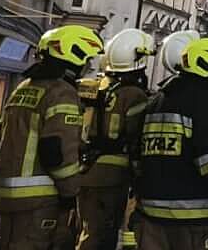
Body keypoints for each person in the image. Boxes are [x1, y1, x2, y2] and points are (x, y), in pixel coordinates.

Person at [0, 28, 102, 250]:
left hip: (8, 194)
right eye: (87, 60)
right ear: (75, 56)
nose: (87, 66)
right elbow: (55, 151)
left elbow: (25, 135)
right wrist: (70, 192)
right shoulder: (62, 91)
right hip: (41, 197)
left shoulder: (23, 88)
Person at [131, 39, 208, 250]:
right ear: (206, 67)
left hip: (151, 213)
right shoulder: (206, 103)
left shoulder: (156, 101)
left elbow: (137, 154)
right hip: (193, 217)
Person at [76, 30, 153, 250]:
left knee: (85, 230)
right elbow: (137, 138)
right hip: (111, 177)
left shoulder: (96, 87)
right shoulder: (133, 95)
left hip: (85, 170)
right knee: (100, 237)